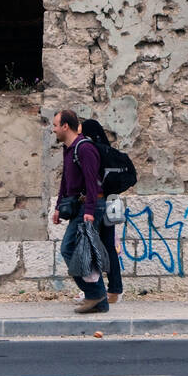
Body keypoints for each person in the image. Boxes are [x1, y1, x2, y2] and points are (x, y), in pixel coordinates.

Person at [51, 109, 109, 314]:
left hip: (89, 206)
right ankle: (99, 300)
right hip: (79, 206)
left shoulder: (85, 149)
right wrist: (59, 206)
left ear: (66, 126)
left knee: (69, 249)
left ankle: (94, 294)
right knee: (84, 252)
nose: (54, 129)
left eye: (56, 125)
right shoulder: (69, 149)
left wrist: (90, 210)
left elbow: (93, 181)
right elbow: (65, 181)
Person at [79, 118, 124, 304]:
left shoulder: (91, 151)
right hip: (113, 201)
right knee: (109, 247)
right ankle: (115, 289)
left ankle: (95, 291)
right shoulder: (109, 151)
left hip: (99, 203)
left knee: (92, 247)